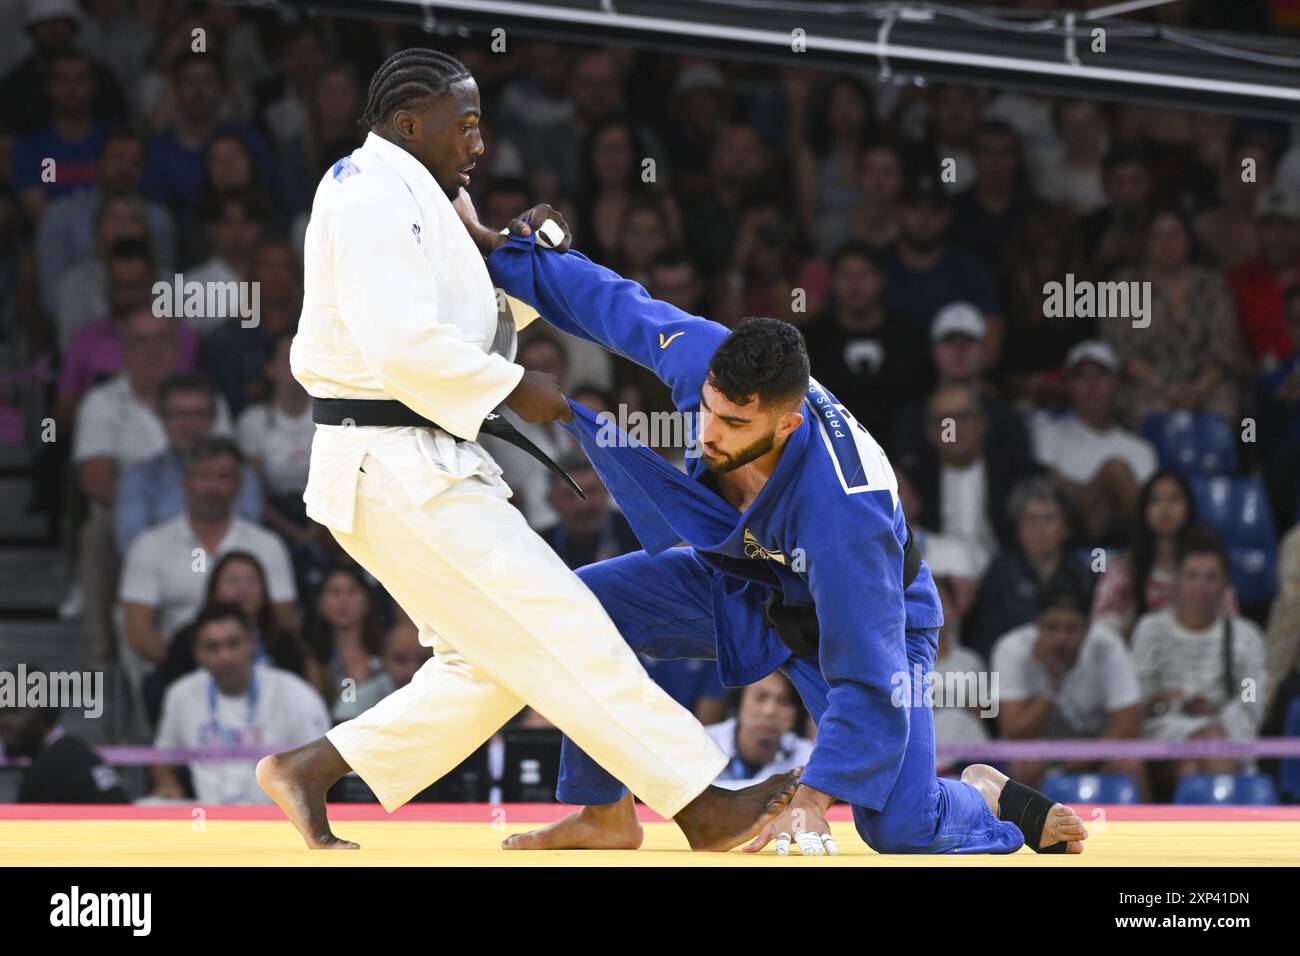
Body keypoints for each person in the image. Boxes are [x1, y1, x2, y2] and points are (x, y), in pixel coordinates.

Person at [256, 48, 799, 853]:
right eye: (464, 126)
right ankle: (699, 801)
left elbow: (466, 324)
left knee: (494, 666)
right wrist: (511, 387)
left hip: (420, 460)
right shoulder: (368, 197)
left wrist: (519, 263)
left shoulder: (429, 197)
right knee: (564, 618)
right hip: (391, 461)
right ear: (409, 125)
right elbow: (402, 346)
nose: (479, 144)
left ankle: (311, 766)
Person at [466, 208, 1089, 855]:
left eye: (732, 424)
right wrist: (498, 251)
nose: (707, 434)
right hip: (747, 582)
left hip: (866, 623)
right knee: (577, 607)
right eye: (706, 409)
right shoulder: (716, 365)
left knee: (899, 829)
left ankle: (983, 796)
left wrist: (812, 806)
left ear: (785, 428)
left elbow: (868, 682)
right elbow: (613, 304)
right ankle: (604, 814)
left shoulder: (845, 518)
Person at [152, 603, 329, 804]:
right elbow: (162, 756)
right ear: (197, 653)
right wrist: (167, 784)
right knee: (147, 807)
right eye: (212, 647)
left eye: (233, 643)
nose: (224, 656)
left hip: (277, 818)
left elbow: (321, 766)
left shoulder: (296, 694)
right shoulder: (181, 694)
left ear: (252, 643)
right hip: (208, 816)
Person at [1131, 526, 1268, 781]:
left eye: (1210, 577)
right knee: (1206, 746)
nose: (1200, 587)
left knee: (1193, 766)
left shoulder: (1246, 637)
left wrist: (1212, 719)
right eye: (1191, 576)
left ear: (1225, 584)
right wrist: (1170, 702)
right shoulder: (1150, 631)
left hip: (1225, 735)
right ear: (1177, 580)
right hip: (1164, 735)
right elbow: (1137, 703)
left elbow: (1251, 700)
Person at [992, 578, 1147, 798]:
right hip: (1041, 751)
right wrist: (1053, 684)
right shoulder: (1011, 649)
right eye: (1052, 627)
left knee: (1131, 764)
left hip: (1096, 748)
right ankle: (1022, 832)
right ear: (1037, 624)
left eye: (1071, 629)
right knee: (1022, 765)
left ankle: (1143, 830)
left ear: (1086, 628)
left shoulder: (1107, 646)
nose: (1061, 639)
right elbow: (1015, 730)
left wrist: (1088, 754)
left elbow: (1129, 724)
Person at [708, 672, 813, 787]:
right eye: (760, 697)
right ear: (738, 701)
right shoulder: (699, 743)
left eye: (784, 701)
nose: (769, 711)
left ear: (797, 712)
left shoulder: (808, 758)